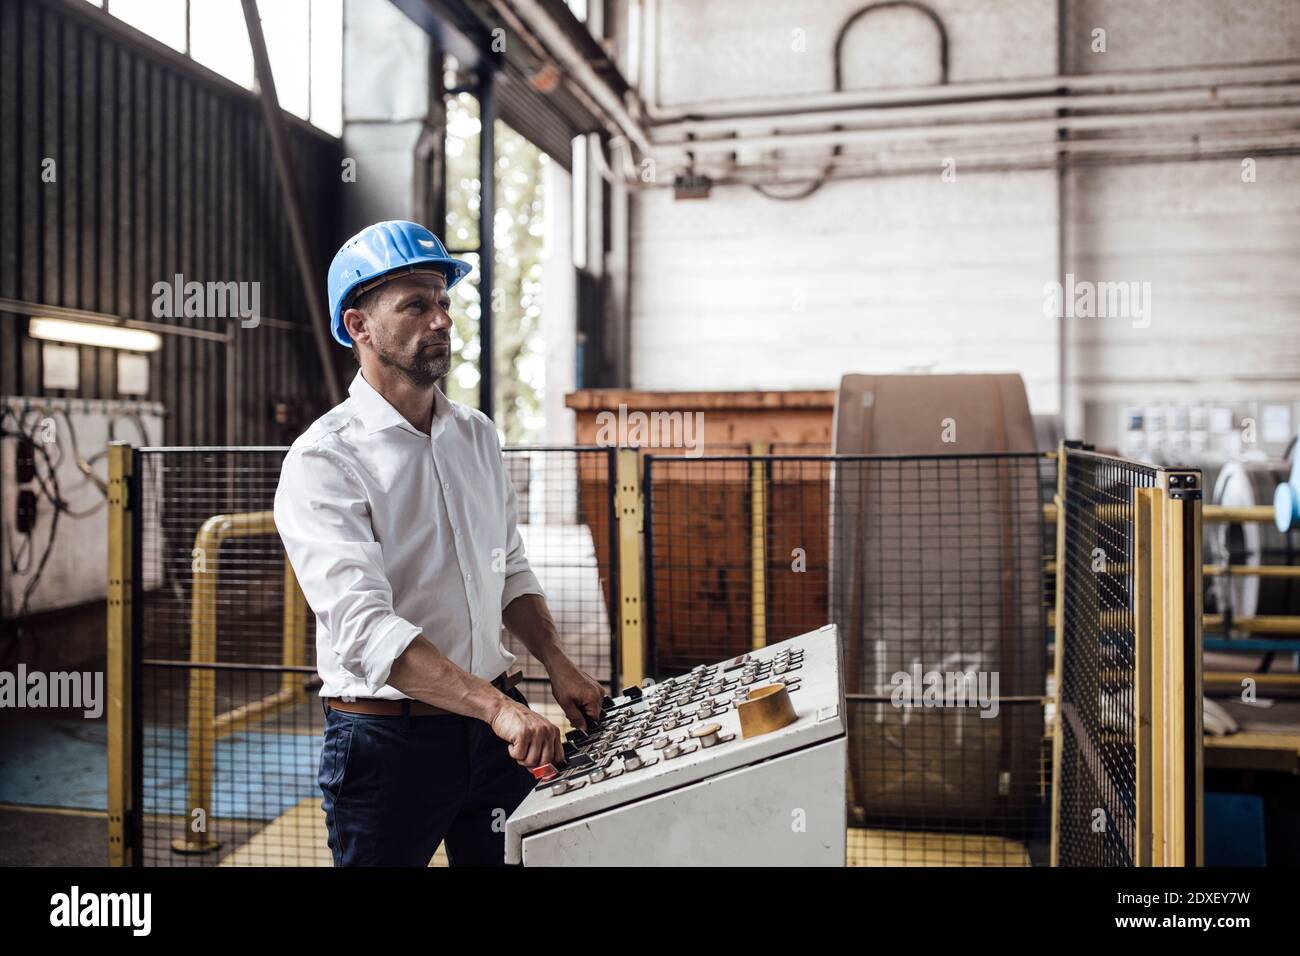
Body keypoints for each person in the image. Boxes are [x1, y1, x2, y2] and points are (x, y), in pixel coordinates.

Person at [274, 220, 605, 866]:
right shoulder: (324, 461)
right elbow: (366, 634)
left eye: (445, 302)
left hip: (494, 737)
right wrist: (499, 709)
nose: (442, 320)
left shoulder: (476, 437)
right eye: (417, 305)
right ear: (360, 327)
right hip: (386, 746)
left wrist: (556, 663)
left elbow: (508, 570)